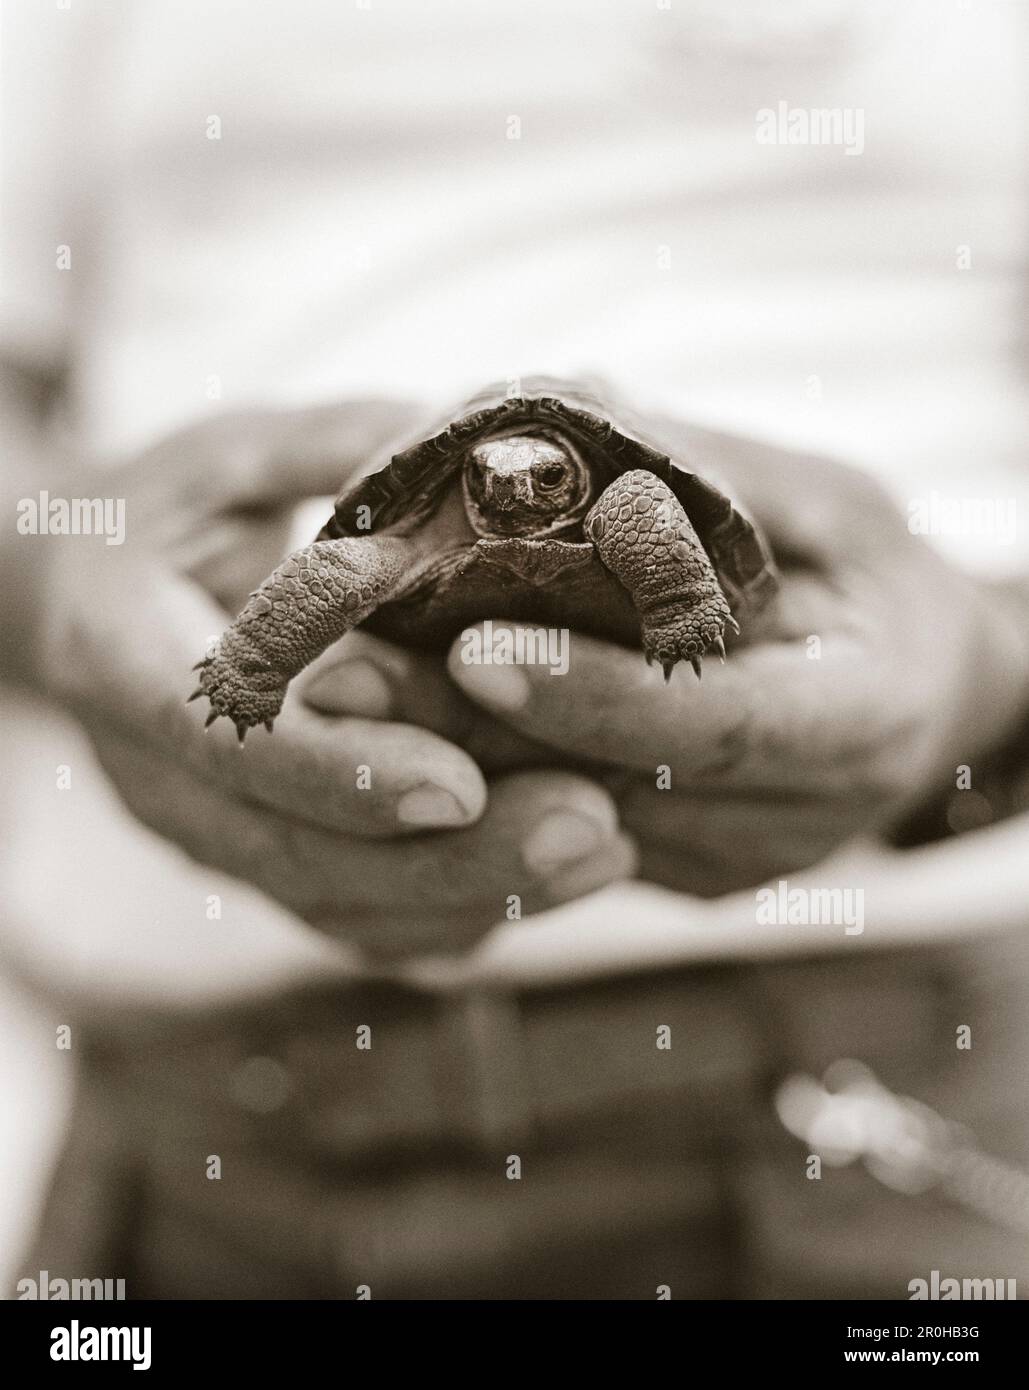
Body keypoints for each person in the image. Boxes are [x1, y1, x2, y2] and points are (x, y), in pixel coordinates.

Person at [3, 0, 1028, 1297]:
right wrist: (92, 598)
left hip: (899, 1086)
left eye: (552, 481)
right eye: (503, 480)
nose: (526, 496)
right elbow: (332, 556)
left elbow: (648, 518)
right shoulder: (399, 537)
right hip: (199, 1119)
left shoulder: (633, 506)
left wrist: (986, 675)